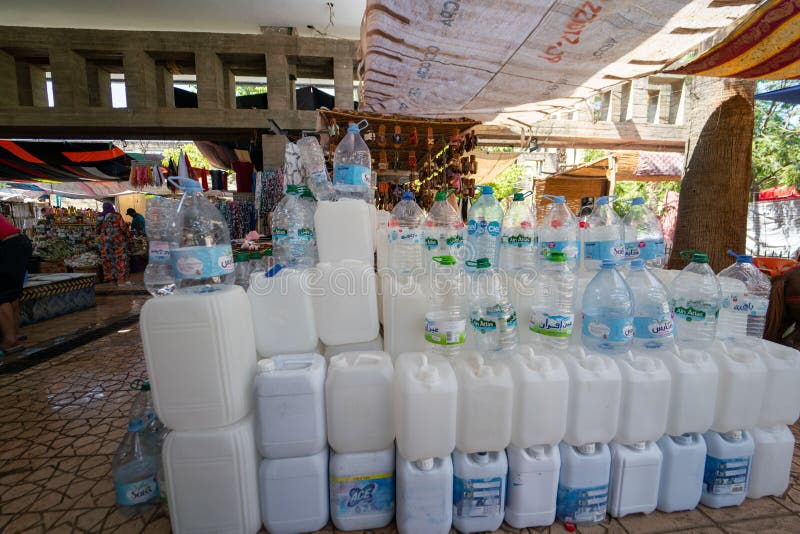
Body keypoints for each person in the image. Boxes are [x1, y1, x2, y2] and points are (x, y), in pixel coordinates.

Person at [0, 213, 33, 355]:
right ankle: (15, 332)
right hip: (20, 243)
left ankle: (10, 340)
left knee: (1, 295)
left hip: (7, 246)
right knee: (12, 293)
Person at [98, 202, 131, 285]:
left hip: (105, 243)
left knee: (108, 261)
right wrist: (128, 236)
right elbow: (123, 227)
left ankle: (110, 279)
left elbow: (97, 230)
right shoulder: (117, 216)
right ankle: (120, 279)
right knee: (120, 260)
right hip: (118, 241)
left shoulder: (101, 217)